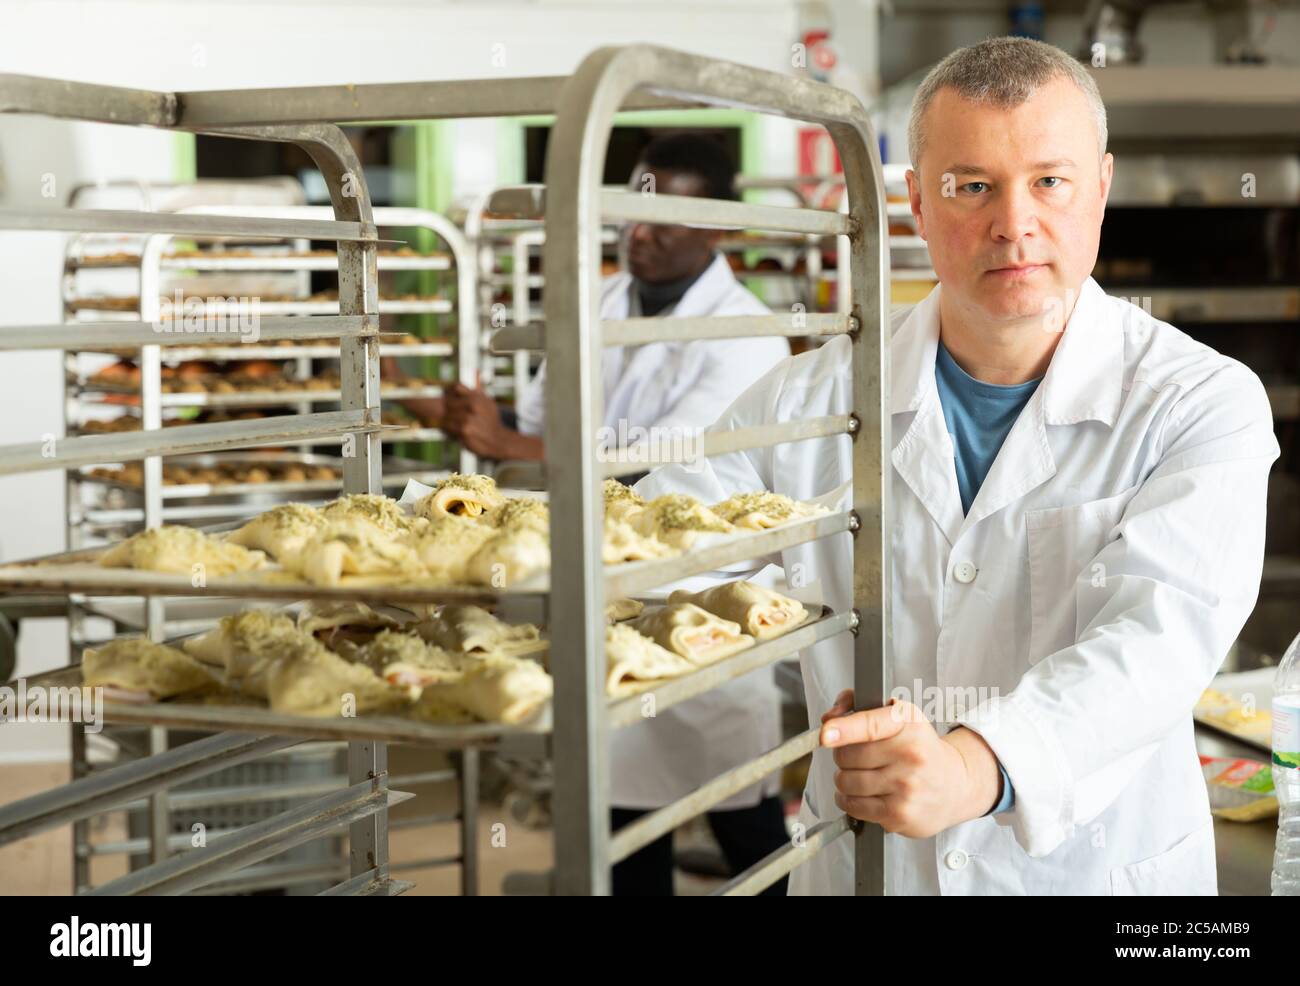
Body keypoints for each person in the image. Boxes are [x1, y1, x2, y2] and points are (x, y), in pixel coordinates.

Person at [634, 36, 1280, 895]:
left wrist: (973, 770)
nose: (1014, 223)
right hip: (869, 870)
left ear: (1102, 187)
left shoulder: (1201, 401)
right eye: (972, 186)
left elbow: (1156, 644)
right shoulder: (804, 401)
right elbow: (655, 543)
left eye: (1049, 181)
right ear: (915, 203)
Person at [404, 133, 794, 894]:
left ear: (715, 224)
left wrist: (509, 440)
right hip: (599, 593)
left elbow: (661, 468)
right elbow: (545, 415)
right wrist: (481, 417)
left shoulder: (745, 336)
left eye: (662, 221)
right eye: (630, 214)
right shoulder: (603, 300)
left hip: (692, 598)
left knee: (740, 813)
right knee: (617, 809)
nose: (637, 234)